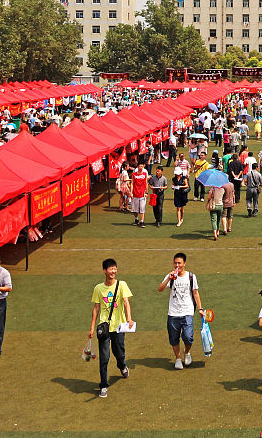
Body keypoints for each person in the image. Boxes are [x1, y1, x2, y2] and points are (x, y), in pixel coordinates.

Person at [89, 258, 134, 397]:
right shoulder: (98, 288)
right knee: (104, 357)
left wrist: (129, 318)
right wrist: (91, 328)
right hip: (104, 327)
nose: (113, 271)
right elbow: (96, 308)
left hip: (119, 326)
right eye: (110, 269)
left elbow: (126, 302)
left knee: (119, 352)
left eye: (115, 268)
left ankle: (122, 365)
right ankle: (103, 385)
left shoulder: (122, 285)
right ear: (104, 271)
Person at [157, 252, 203, 370]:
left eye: (179, 263)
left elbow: (195, 293)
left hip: (187, 312)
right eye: (175, 263)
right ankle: (178, 358)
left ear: (184, 263)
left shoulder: (191, 276)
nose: (177, 265)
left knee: (188, 337)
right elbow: (160, 289)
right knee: (174, 338)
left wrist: (200, 309)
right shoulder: (170, 276)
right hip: (173, 313)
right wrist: (169, 278)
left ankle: (187, 353)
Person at [129, 162, 149, 227]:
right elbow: (132, 183)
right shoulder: (134, 174)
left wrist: (146, 192)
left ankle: (142, 221)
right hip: (135, 193)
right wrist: (131, 192)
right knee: (135, 208)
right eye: (139, 166)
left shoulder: (145, 174)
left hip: (142, 193)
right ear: (137, 167)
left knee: (142, 208)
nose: (141, 168)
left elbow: (146, 183)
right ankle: (136, 219)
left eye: (142, 166)